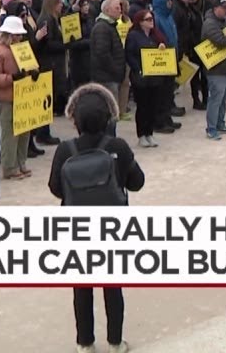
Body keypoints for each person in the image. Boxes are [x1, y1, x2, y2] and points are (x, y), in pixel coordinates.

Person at [48, 85, 143, 353]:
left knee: (82, 287)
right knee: (113, 286)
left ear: (74, 120)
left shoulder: (65, 150)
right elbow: (137, 182)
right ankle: (115, 342)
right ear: (108, 118)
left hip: (76, 228)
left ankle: (85, 343)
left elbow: (55, 188)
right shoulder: (118, 146)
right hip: (112, 227)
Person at [0, 16, 32, 180]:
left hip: (23, 96)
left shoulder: (20, 48)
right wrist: (12, 78)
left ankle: (21, 163)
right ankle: (9, 166)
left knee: (24, 131)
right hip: (7, 97)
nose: (20, 38)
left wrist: (32, 72)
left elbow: (30, 64)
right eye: (17, 35)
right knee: (9, 133)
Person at [125, 9, 170, 148]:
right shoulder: (133, 36)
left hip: (154, 76)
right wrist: (138, 69)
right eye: (148, 19)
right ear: (140, 22)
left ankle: (149, 133)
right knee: (143, 106)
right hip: (141, 76)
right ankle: (142, 134)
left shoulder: (155, 35)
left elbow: (163, 50)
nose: (151, 22)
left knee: (153, 105)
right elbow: (129, 54)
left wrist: (162, 47)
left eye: (152, 19)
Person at [201, 0, 226, 141]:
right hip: (217, 69)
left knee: (224, 99)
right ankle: (211, 128)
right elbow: (221, 42)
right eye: (224, 8)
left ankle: (220, 123)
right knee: (216, 98)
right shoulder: (209, 24)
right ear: (215, 8)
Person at [32, 0, 67, 146]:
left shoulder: (54, 19)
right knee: (46, 99)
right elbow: (47, 44)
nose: (62, 6)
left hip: (54, 63)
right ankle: (42, 133)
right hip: (48, 64)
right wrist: (65, 44)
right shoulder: (47, 20)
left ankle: (44, 132)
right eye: (59, 3)